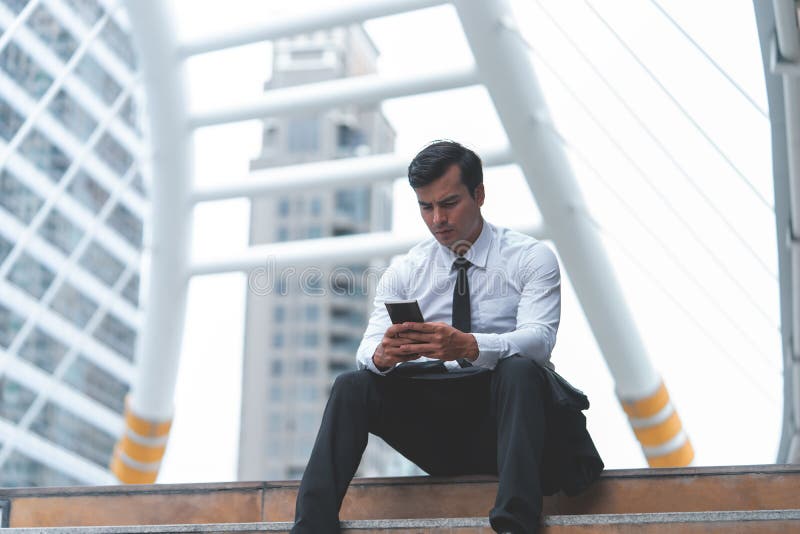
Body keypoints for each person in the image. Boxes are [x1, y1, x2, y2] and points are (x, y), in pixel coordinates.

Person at [291, 140, 603, 534]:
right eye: (426, 207)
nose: (438, 218)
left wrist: (470, 346)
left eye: (449, 203)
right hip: (438, 426)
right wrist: (384, 356)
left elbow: (540, 340)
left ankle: (515, 524)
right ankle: (311, 528)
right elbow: (365, 350)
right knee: (352, 385)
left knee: (520, 370)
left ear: (480, 194)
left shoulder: (529, 258)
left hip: (511, 420)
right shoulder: (405, 272)